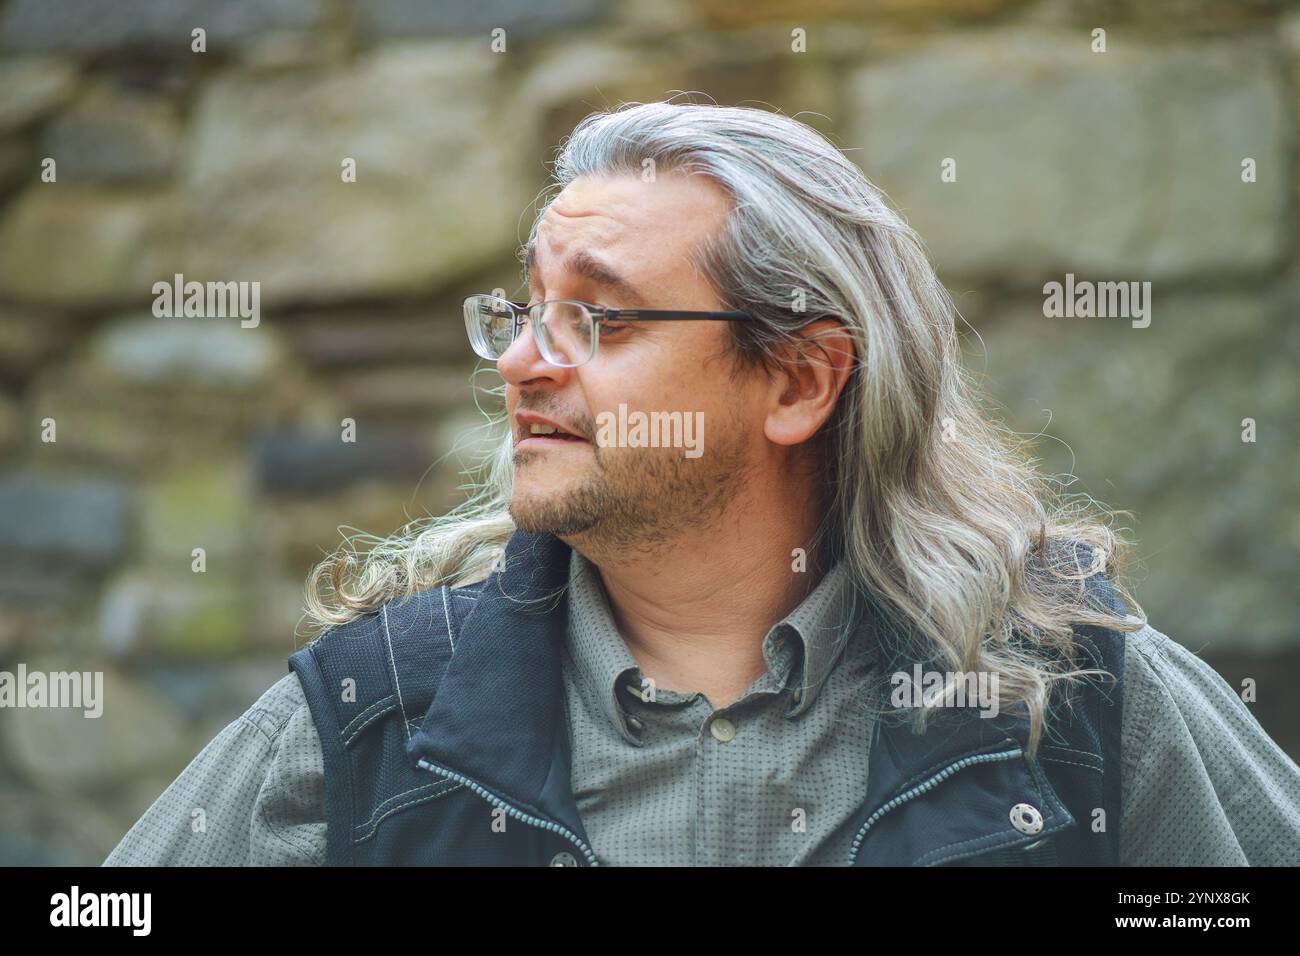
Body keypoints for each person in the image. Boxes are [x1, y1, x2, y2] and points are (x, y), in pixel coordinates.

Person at [105, 101, 1300, 866]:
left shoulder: (1074, 700)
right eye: (526, 310)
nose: (524, 360)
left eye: (602, 320)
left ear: (798, 380)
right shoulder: (373, 717)